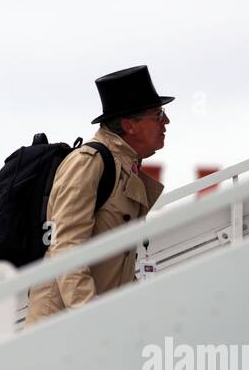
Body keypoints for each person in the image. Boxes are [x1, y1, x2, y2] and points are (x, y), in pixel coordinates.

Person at [25, 66, 173, 325]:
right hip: (62, 331)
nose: (166, 122)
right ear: (129, 125)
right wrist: (90, 318)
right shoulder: (89, 163)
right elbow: (67, 249)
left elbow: (118, 265)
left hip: (93, 327)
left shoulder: (123, 166)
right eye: (158, 114)